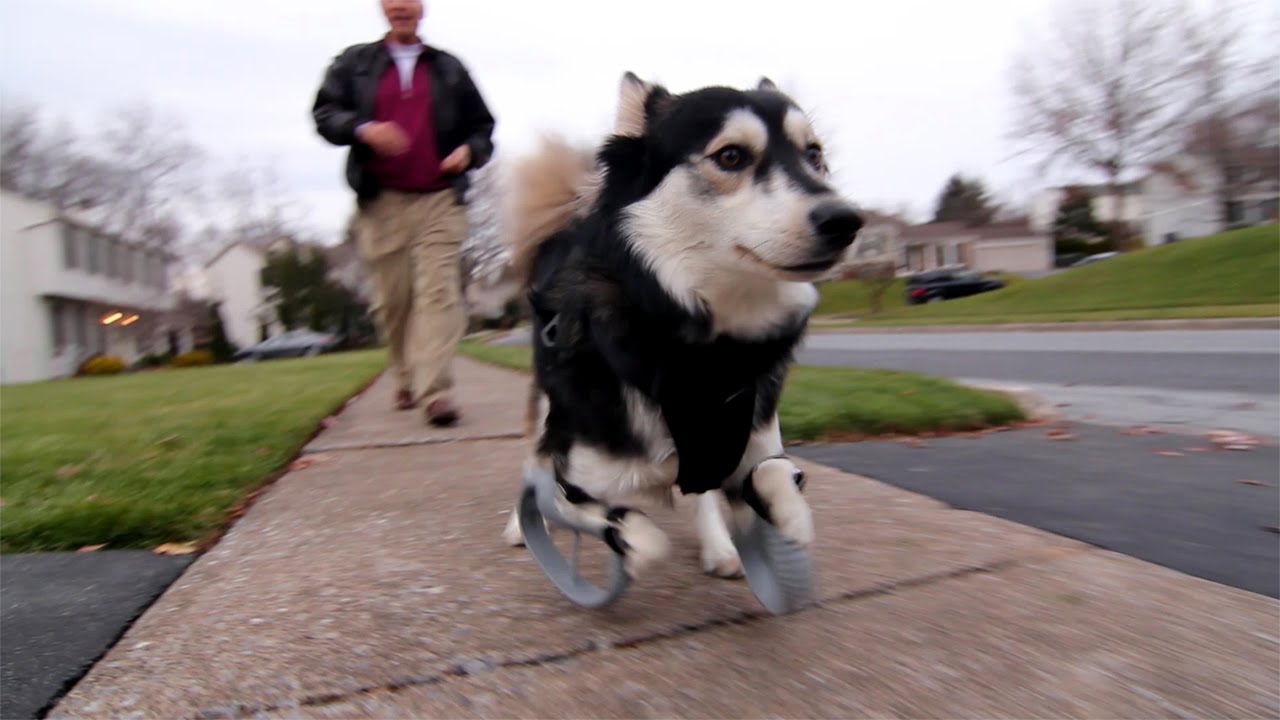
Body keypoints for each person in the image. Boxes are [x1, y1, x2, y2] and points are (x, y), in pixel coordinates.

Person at [312, 0, 495, 426]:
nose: (401, 7)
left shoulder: (449, 68)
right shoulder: (354, 63)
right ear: (382, 7)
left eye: (409, 1)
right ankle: (405, 374)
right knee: (393, 302)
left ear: (421, 8)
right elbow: (325, 114)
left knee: (439, 293)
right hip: (382, 201)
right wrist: (364, 128)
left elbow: (483, 128)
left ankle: (436, 392)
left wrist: (468, 152)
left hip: (439, 198)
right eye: (392, 1)